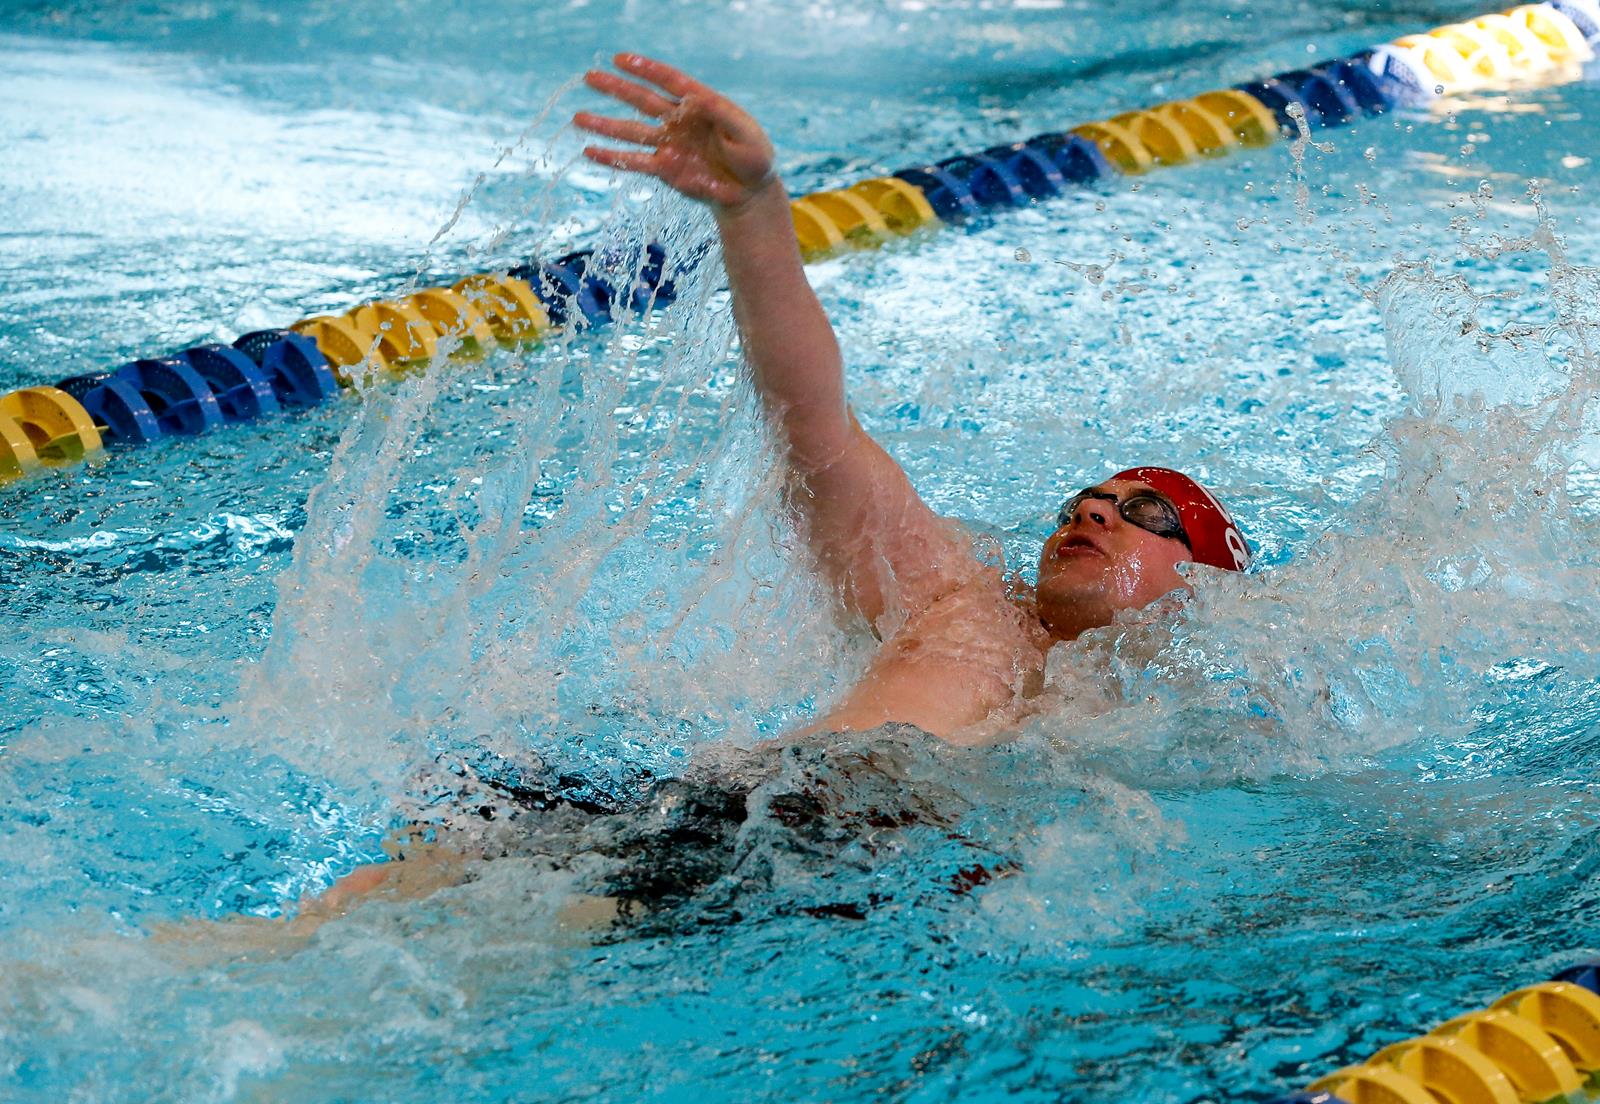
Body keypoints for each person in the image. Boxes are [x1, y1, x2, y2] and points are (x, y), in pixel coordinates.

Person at [574, 54, 1252, 748]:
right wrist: (751, 207)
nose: (1092, 510)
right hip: (766, 817)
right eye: (1084, 503)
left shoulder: (1190, 731)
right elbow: (814, 426)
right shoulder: (961, 601)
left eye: (1144, 511)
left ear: (1198, 585)